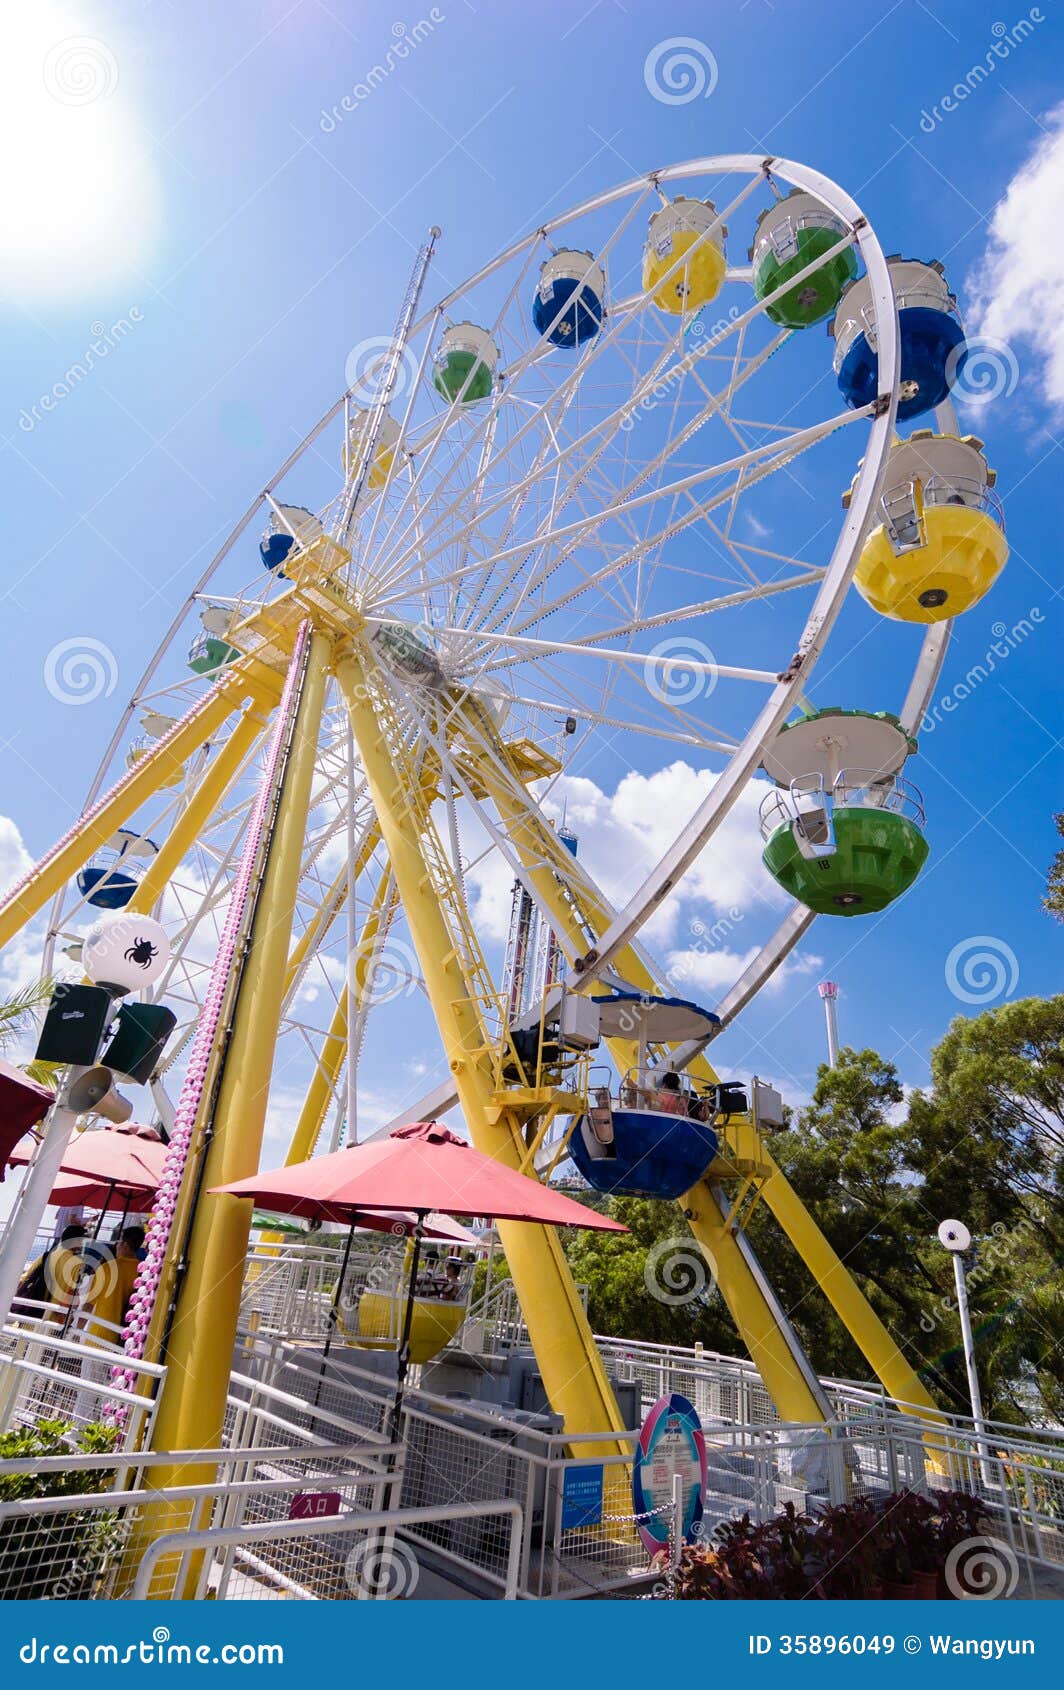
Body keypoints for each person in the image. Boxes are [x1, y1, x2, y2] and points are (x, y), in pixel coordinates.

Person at [13, 1223, 87, 1320]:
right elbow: (72, 1292)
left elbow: (24, 1279)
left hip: (32, 1310)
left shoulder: (46, 1256)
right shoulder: (78, 1264)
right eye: (81, 1240)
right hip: (53, 1316)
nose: (82, 1244)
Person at [85, 1225, 144, 1344]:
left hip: (100, 1332)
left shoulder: (108, 1268)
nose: (117, 1246)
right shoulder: (141, 1270)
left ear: (125, 1245)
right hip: (125, 1335)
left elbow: (89, 1305)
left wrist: (76, 1328)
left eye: (119, 1242)